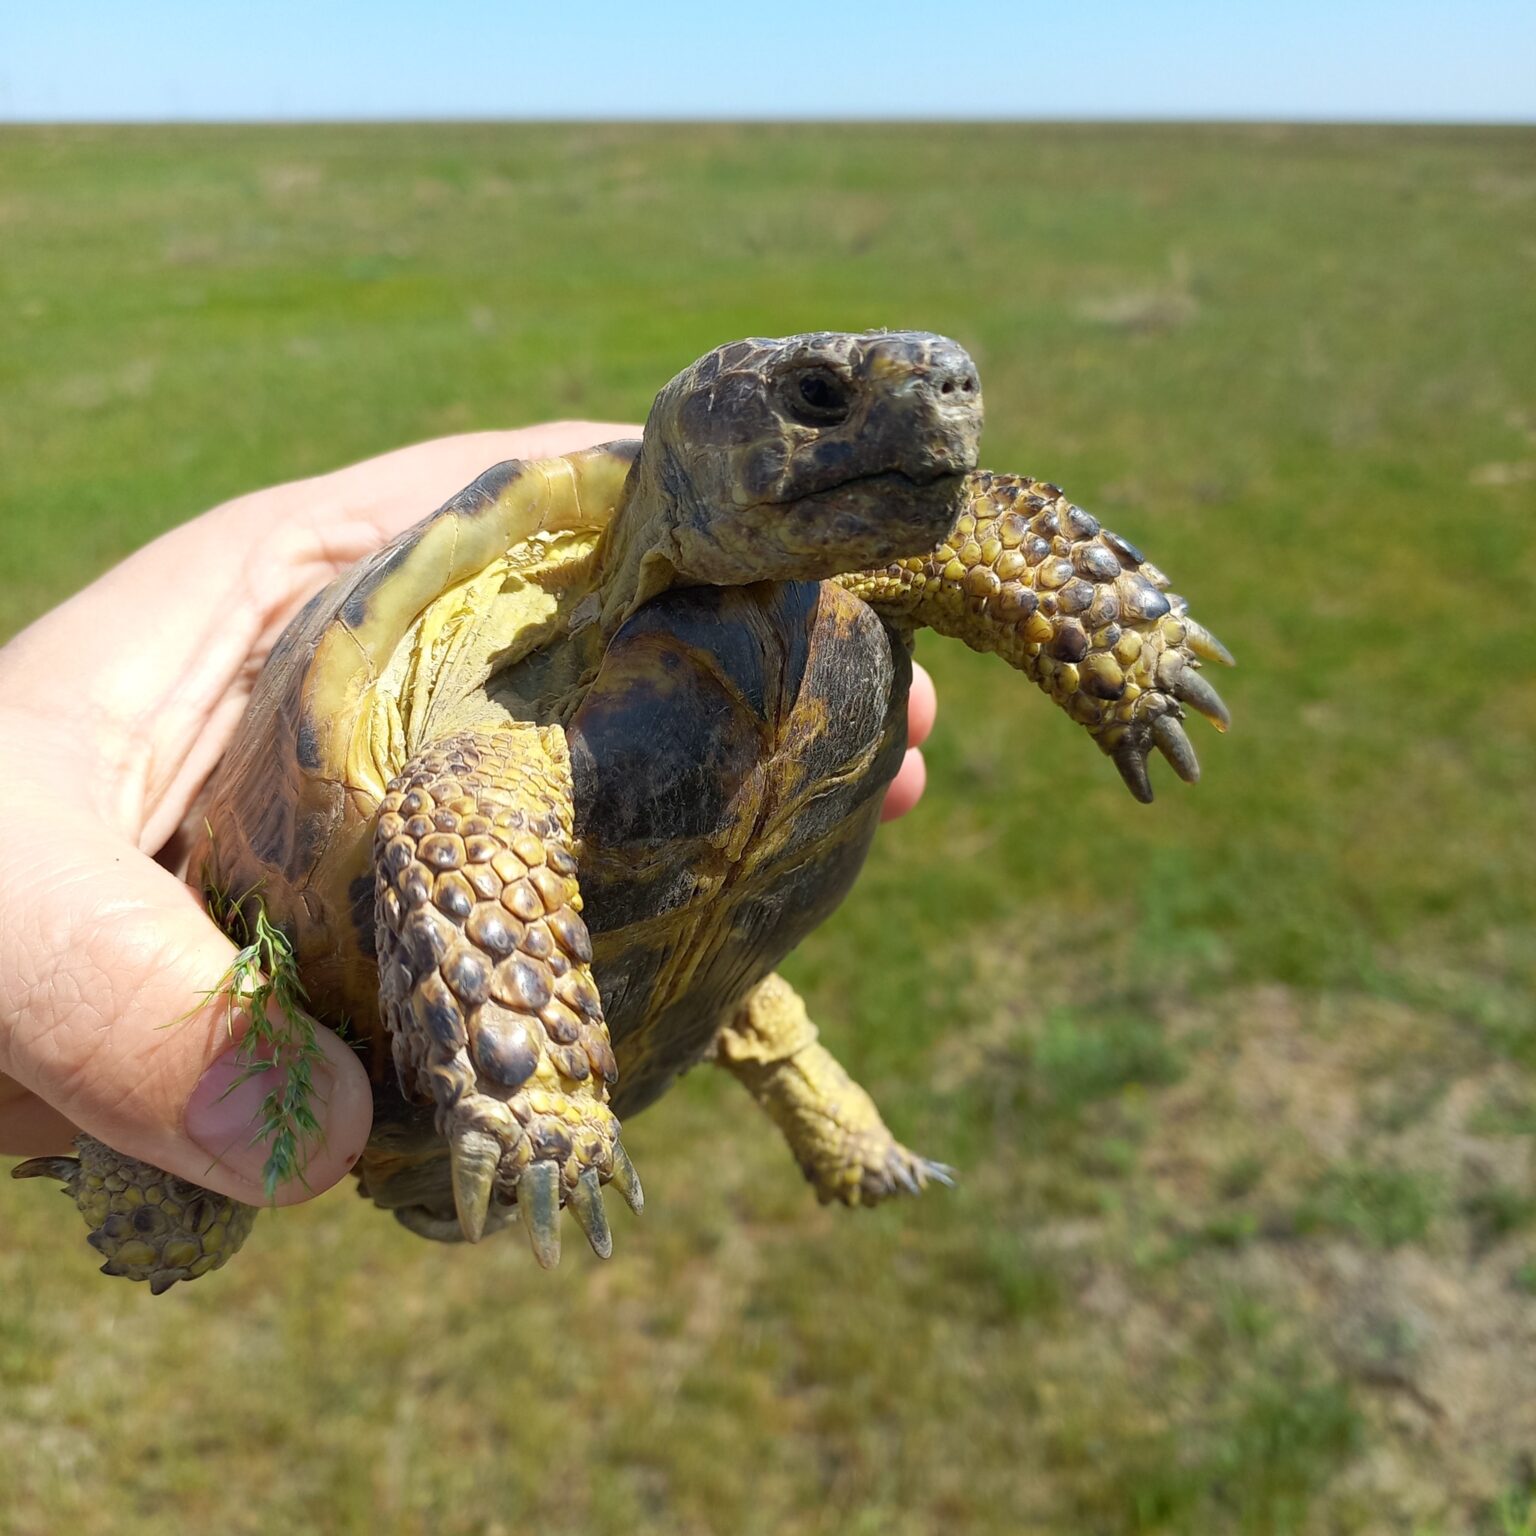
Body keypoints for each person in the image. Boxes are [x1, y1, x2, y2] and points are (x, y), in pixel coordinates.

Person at [0, 424, 938, 1208]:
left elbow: (975, 528)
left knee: (736, 993)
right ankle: (542, 1087)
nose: (935, 407)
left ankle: (828, 1116)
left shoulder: (857, 547)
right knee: (172, 1204)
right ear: (709, 423)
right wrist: (533, 1085)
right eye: (818, 400)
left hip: (708, 945)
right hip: (404, 904)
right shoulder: (492, 712)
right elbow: (460, 811)